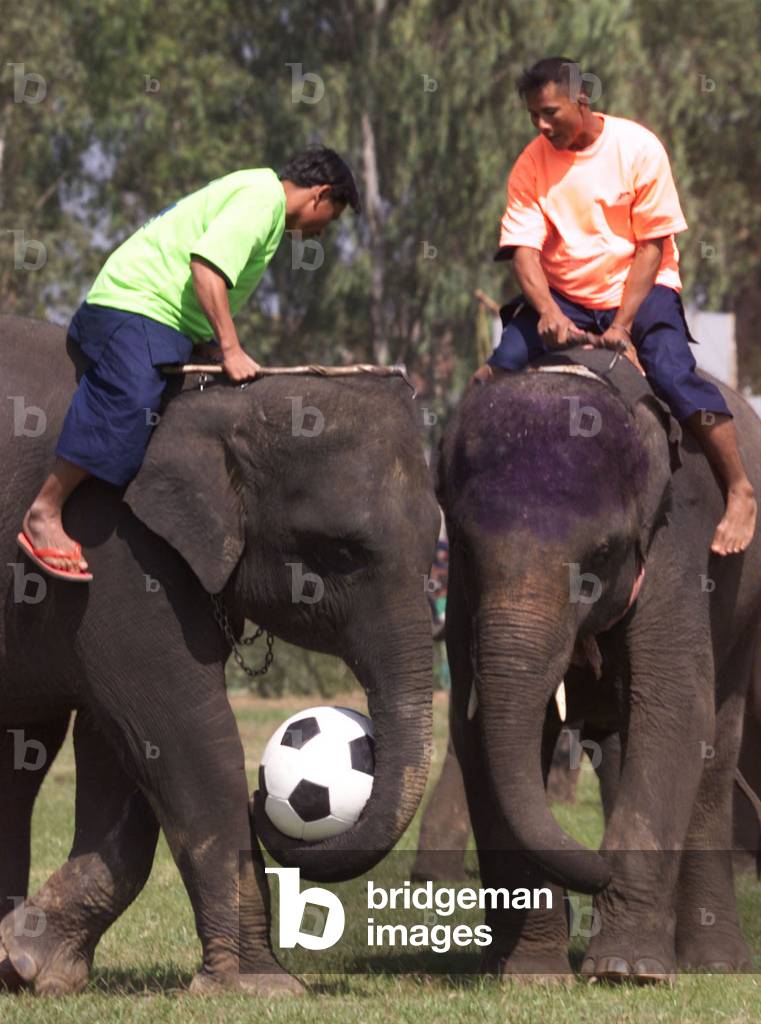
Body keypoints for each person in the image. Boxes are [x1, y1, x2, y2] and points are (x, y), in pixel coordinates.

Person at [18, 146, 360, 581]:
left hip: (164, 322)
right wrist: (231, 349)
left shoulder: (264, 206)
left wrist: (210, 346)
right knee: (133, 395)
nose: (322, 232)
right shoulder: (262, 200)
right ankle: (44, 512)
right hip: (133, 307)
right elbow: (206, 269)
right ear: (320, 194)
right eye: (330, 218)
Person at [472, 57, 756, 556]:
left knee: (671, 373)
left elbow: (651, 246)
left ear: (582, 100)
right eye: (533, 116)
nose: (541, 125)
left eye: (550, 113)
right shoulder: (531, 163)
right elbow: (523, 250)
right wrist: (548, 313)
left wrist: (624, 324)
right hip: (565, 296)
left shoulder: (637, 148)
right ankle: (465, 501)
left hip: (640, 288)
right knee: (499, 370)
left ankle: (739, 489)